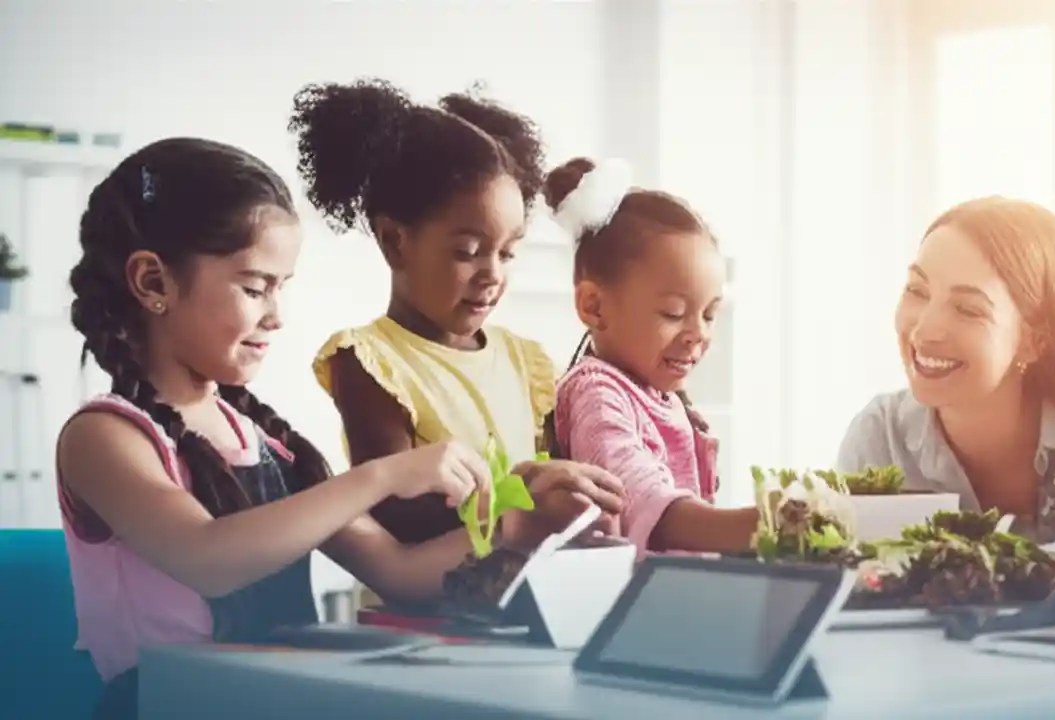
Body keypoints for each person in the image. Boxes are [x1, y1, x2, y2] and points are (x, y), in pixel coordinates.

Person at [57, 138, 585, 719]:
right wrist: (381, 476)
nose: (276, 314)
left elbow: (401, 572)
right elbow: (206, 558)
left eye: (282, 286)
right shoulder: (103, 437)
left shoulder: (264, 441)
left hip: (277, 702)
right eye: (255, 287)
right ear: (153, 283)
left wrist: (523, 519)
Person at [291, 79, 624, 552]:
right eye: (468, 252)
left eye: (507, 254)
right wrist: (520, 494)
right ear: (395, 241)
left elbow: (560, 479)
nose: (492, 274)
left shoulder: (525, 362)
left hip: (529, 599)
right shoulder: (370, 361)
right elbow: (394, 512)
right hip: (429, 608)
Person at [835, 197, 1055, 542]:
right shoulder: (879, 440)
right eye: (917, 290)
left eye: (968, 310)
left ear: (1034, 341)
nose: (924, 331)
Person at [546, 157, 757, 554]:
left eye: (709, 314)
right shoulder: (596, 394)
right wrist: (762, 526)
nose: (698, 334)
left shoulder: (662, 396)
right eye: (674, 314)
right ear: (594, 307)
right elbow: (639, 500)